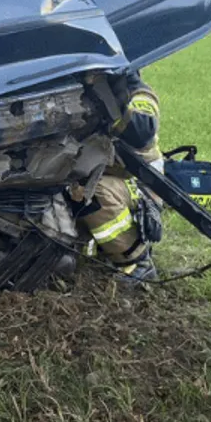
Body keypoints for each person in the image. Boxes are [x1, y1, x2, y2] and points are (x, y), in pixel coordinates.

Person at [71, 73, 162, 282]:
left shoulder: (139, 94)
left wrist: (115, 97)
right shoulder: (81, 90)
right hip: (101, 173)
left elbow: (141, 131)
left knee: (89, 193)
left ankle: (138, 263)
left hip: (140, 184)